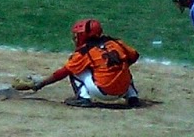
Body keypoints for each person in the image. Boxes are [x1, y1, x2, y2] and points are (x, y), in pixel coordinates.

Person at [14, 19, 142, 108]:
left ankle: (83, 98)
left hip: (102, 92)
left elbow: (63, 72)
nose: (76, 37)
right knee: (123, 66)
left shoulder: (85, 52)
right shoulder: (116, 42)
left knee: (75, 70)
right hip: (123, 89)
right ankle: (132, 97)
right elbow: (134, 55)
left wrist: (40, 84)